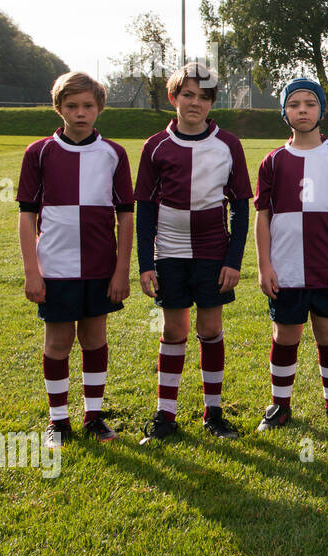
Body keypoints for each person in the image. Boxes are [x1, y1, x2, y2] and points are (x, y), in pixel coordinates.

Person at [135, 62, 252, 442]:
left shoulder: (228, 144)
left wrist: (233, 261)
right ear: (174, 97)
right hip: (169, 252)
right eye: (188, 94)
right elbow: (146, 210)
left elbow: (239, 207)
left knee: (210, 328)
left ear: (211, 103)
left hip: (212, 254)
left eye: (204, 97)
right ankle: (165, 415)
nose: (195, 103)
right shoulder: (156, 147)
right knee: (173, 330)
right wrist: (145, 264)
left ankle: (213, 413)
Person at [17, 71, 134, 447]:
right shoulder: (39, 153)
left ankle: (94, 416)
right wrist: (32, 272)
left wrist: (121, 271)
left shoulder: (114, 154)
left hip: (100, 268)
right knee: (57, 342)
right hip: (56, 268)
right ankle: (58, 421)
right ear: (58, 108)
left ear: (99, 107)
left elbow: (126, 216)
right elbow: (26, 216)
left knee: (95, 339)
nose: (80, 113)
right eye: (72, 106)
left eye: (88, 106)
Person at [255, 78, 328, 431]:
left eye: (310, 103)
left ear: (321, 110)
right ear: (284, 111)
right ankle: (279, 406)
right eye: (294, 104)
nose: (302, 110)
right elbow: (263, 216)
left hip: (327, 267)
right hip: (285, 269)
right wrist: (264, 265)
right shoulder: (273, 162)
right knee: (285, 336)